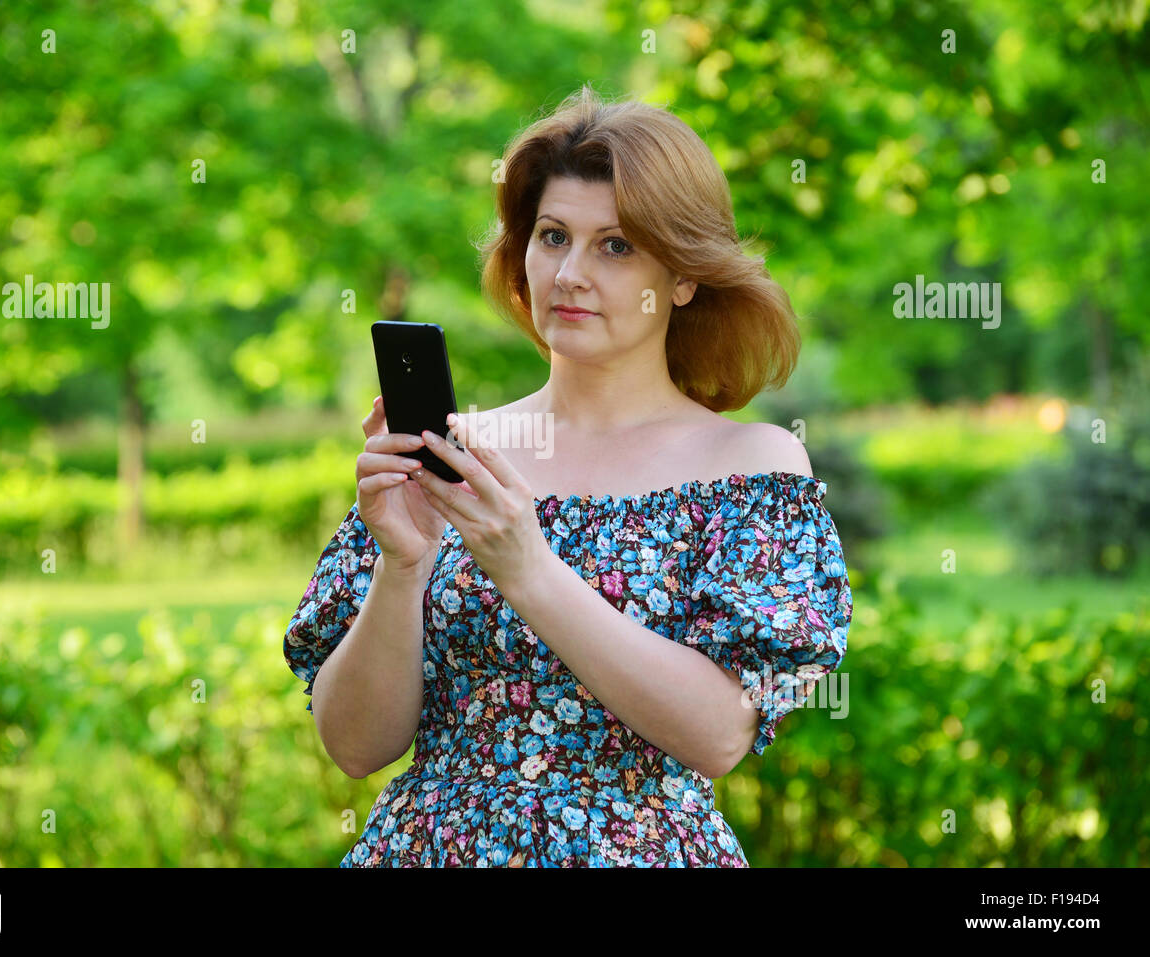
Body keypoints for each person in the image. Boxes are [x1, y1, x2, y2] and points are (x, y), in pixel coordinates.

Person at [284, 84, 852, 867]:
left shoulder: (749, 466)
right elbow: (354, 745)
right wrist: (403, 564)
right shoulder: (455, 452)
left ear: (683, 277)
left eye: (616, 246)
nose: (571, 272)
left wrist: (529, 568)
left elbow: (719, 734)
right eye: (553, 236)